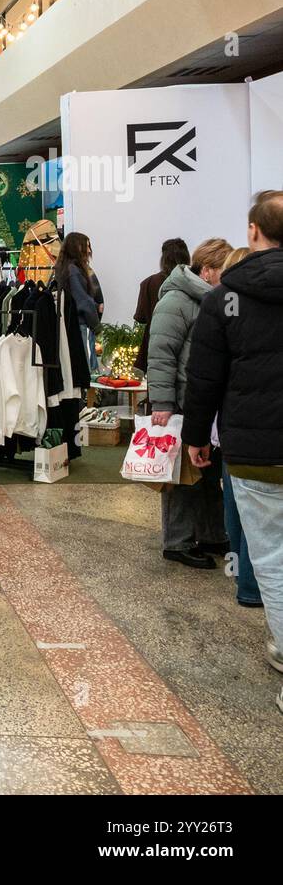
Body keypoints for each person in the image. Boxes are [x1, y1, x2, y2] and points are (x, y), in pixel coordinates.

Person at [184, 191, 283, 706]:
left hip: (252, 449)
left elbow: (204, 378)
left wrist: (196, 439)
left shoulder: (223, 299)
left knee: (268, 555)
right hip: (253, 445)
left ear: (251, 232)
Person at [147, 236, 233, 568]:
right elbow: (161, 355)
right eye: (223, 270)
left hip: (203, 401)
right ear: (208, 269)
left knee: (208, 473)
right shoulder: (176, 300)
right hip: (182, 401)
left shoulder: (209, 299)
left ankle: (212, 533)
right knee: (181, 476)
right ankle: (177, 541)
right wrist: (163, 403)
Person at [216, 247, 261, 608]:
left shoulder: (224, 309)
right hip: (252, 428)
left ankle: (242, 576)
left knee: (239, 503)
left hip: (234, 426)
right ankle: (248, 582)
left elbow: (207, 375)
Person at [134, 238, 190, 375]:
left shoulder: (148, 283)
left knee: (157, 390)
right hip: (185, 348)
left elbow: (141, 317)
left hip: (155, 348)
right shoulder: (192, 283)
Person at [54, 232, 101, 379]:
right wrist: (97, 325)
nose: (88, 250)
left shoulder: (61, 268)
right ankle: (89, 401)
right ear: (77, 247)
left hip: (67, 326)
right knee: (89, 371)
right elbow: (83, 302)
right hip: (81, 325)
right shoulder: (74, 271)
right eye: (86, 246)